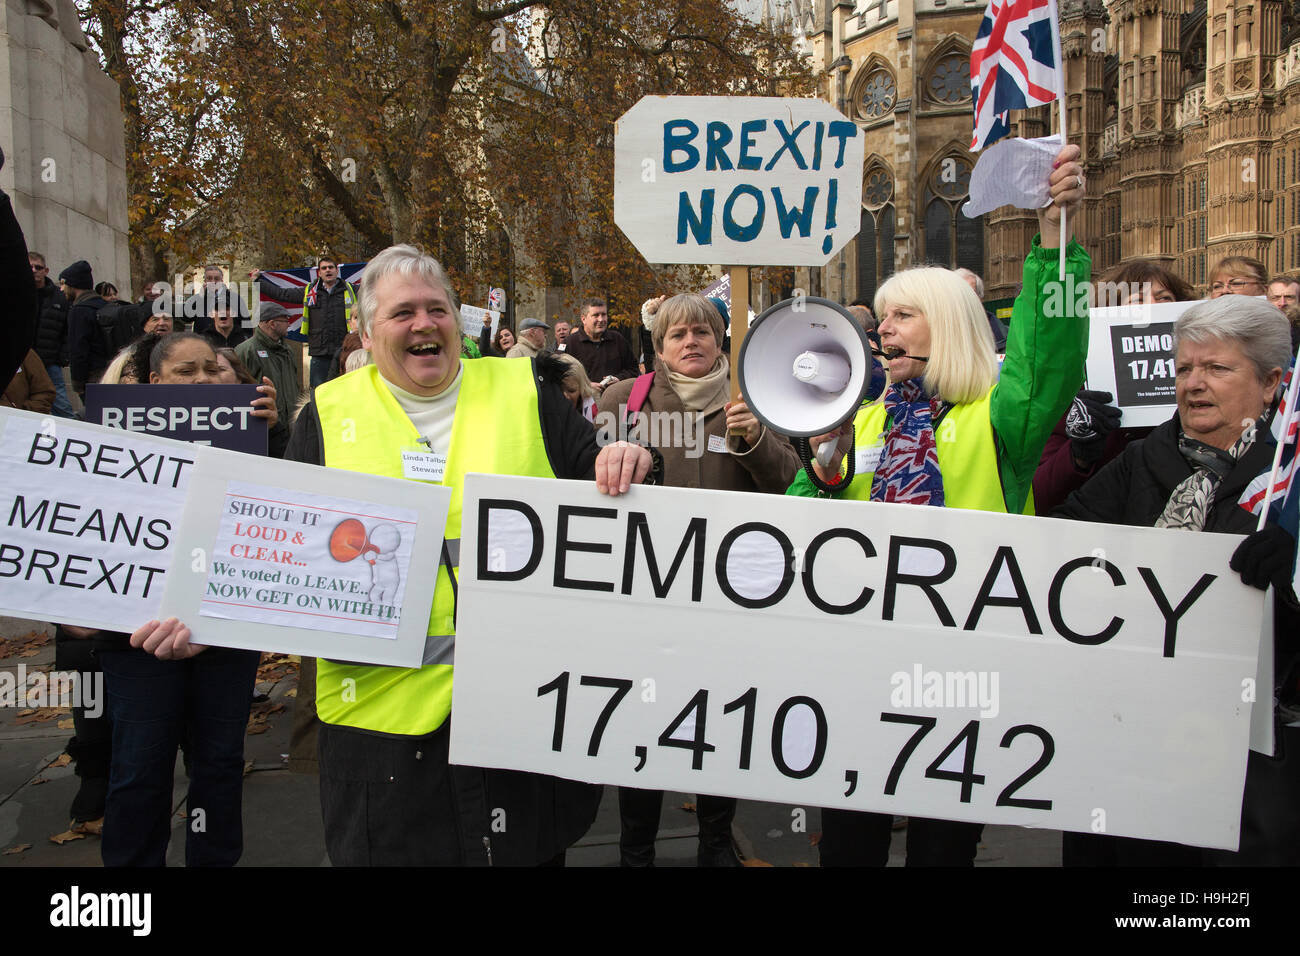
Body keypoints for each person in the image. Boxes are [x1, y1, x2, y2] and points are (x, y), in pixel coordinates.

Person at [129, 244, 654, 866]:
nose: (424, 323)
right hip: (381, 723)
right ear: (366, 330)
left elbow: (608, 494)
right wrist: (208, 624)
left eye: (438, 309)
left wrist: (634, 462)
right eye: (403, 312)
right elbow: (276, 556)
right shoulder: (328, 413)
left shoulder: (526, 391)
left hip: (519, 707)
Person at [789, 144, 1090, 866]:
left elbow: (1051, 352)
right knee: (851, 842)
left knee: (943, 846)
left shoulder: (1000, 418)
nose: (883, 330)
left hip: (964, 669)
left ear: (950, 325)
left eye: (904, 317)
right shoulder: (860, 421)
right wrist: (814, 463)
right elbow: (796, 526)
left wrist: (1055, 240)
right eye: (882, 318)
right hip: (862, 665)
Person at [1054, 294, 1300, 866]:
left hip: (1245, 749)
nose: (1193, 384)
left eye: (1217, 368)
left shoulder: (1286, 482)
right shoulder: (1142, 459)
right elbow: (1061, 545)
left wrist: (1292, 569)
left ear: (1270, 385)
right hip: (1129, 733)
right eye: (1184, 368)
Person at [600, 293, 800, 867]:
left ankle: (717, 843)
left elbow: (791, 489)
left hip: (727, 600)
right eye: (677, 334)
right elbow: (587, 490)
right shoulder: (625, 400)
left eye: (703, 333)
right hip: (647, 596)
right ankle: (635, 848)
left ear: (720, 340)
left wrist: (758, 442)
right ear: (659, 348)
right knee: (642, 721)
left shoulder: (754, 400)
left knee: (718, 721)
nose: (691, 342)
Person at [85, 333, 266, 866]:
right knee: (140, 769)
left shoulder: (256, 433)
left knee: (218, 765)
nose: (205, 380)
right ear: (155, 383)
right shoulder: (107, 441)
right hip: (136, 638)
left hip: (224, 634)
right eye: (187, 372)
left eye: (213, 368)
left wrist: (271, 435)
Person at [1033, 259, 1195, 514]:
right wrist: (1079, 453)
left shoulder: (1204, 389)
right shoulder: (1073, 393)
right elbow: (1040, 496)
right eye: (1138, 300)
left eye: (1164, 299)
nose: (1152, 308)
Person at [252, 257, 356, 388]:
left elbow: (372, 290)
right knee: (318, 393)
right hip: (320, 353)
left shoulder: (351, 290)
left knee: (345, 390)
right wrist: (258, 281)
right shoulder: (310, 291)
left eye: (331, 267)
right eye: (324, 268)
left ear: (337, 271)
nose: (328, 270)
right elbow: (283, 294)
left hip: (344, 351)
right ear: (319, 273)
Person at [236, 301, 301, 428]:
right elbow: (237, 391)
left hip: (290, 428)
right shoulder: (246, 350)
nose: (289, 324)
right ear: (272, 324)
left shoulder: (287, 350)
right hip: (262, 426)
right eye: (285, 320)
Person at [30, 252, 74, 417]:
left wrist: (62, 357)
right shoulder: (15, 293)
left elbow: (67, 331)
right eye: (30, 267)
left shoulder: (60, 297)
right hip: (21, 361)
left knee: (61, 405)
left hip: (50, 361)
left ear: (46, 270)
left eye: (38, 267)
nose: (34, 270)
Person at [566, 298, 637, 392]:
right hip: (583, 403)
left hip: (615, 401)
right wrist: (585, 385)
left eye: (604, 315)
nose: (601, 319)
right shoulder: (570, 343)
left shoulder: (618, 339)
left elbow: (633, 369)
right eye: (596, 315)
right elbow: (560, 375)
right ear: (583, 319)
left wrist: (619, 379)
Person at [953, 267, 1008, 351]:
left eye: (968, 294)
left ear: (980, 299)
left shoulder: (1010, 338)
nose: (962, 301)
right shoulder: (935, 341)